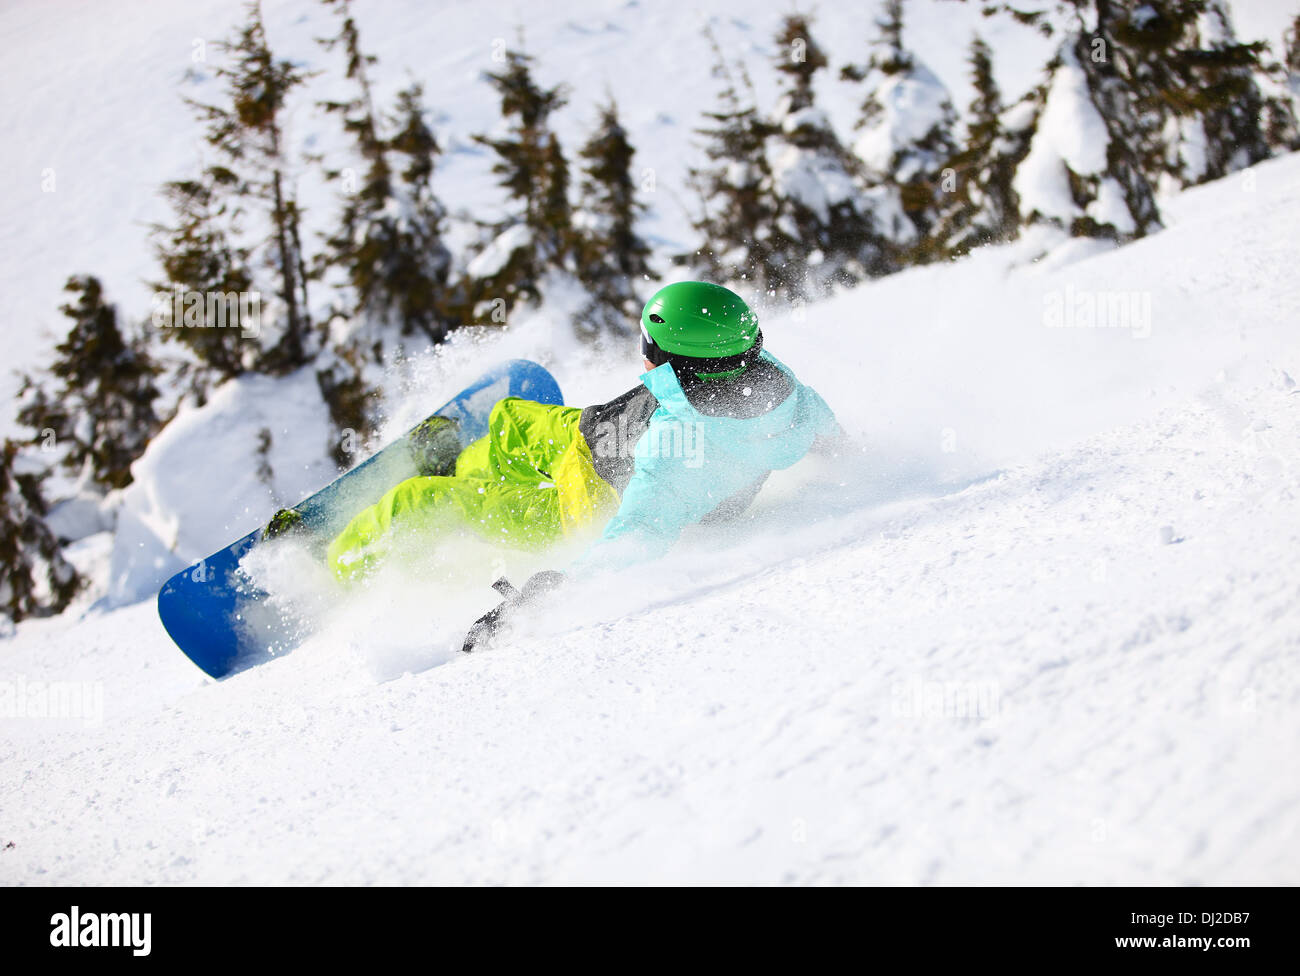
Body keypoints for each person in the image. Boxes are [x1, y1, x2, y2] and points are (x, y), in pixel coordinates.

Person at [325, 280, 842, 601]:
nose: (640, 352)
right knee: (508, 421)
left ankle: (333, 567)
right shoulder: (779, 386)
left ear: (671, 359)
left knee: (419, 501)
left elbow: (638, 536)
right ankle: (464, 467)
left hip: (584, 501)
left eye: (647, 342)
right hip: (595, 434)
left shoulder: (674, 451)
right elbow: (830, 439)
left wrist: (547, 598)